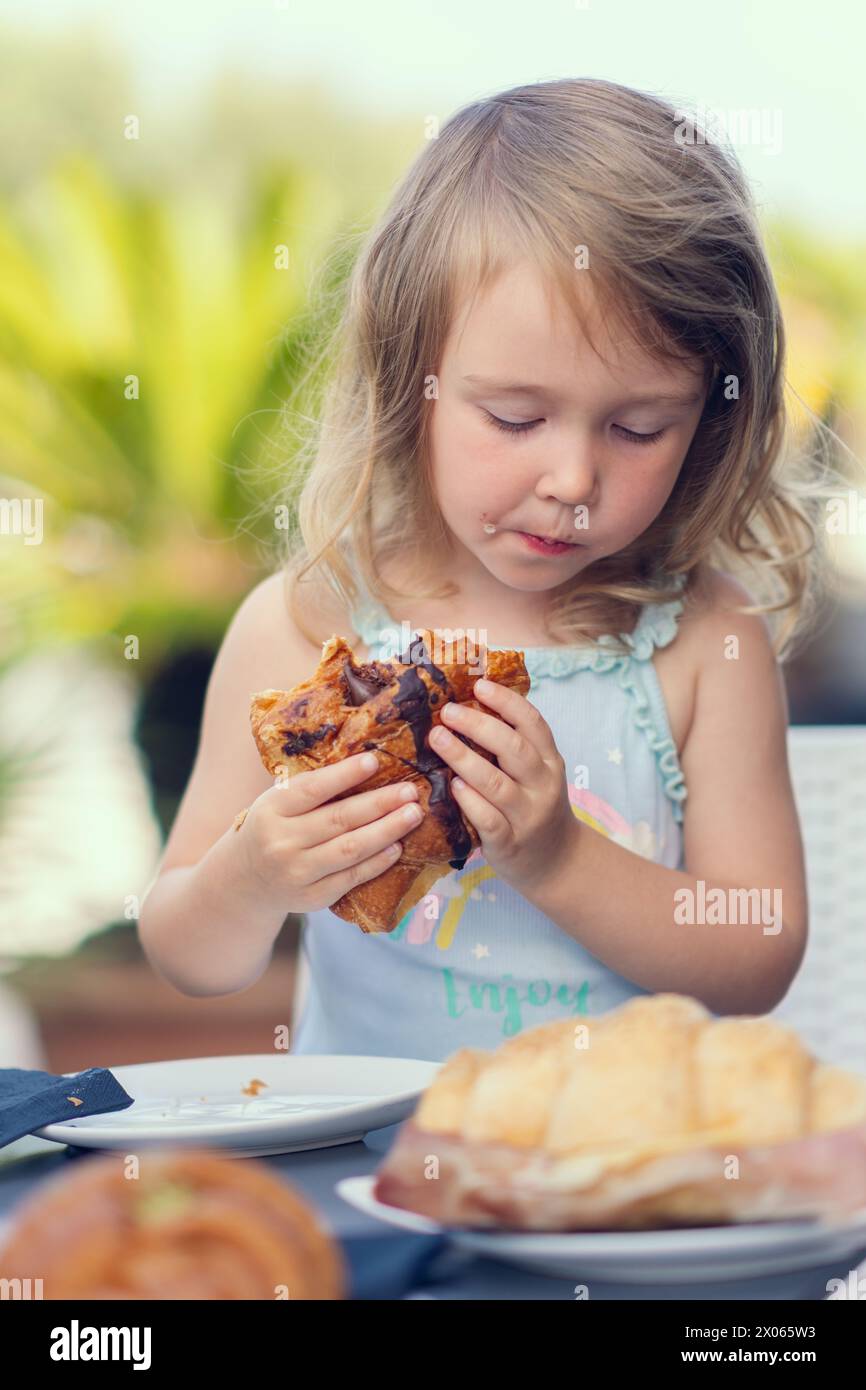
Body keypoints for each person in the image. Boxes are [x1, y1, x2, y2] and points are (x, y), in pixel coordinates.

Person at [139, 78, 836, 1061]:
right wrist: (253, 875)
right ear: (406, 383)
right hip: (372, 1176)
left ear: (709, 420)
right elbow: (184, 949)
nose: (571, 478)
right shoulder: (304, 621)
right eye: (513, 418)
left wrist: (556, 856)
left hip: (605, 1171)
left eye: (638, 427)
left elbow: (756, 954)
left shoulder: (701, 642)